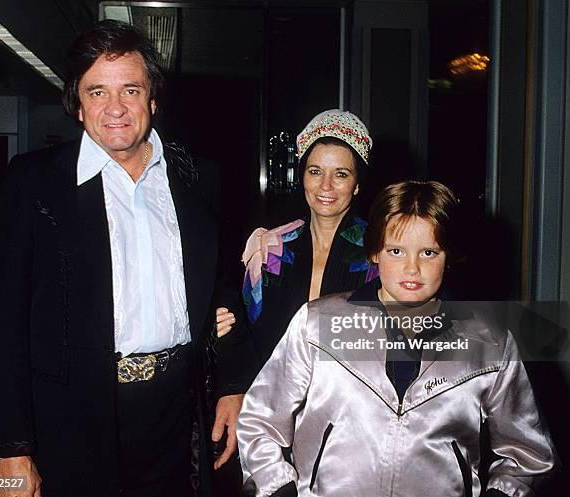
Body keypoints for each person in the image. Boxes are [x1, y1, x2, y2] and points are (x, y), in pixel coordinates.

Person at [0, 20, 244, 497]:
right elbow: (1, 324)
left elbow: (221, 285)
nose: (116, 108)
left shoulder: (197, 177)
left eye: (131, 90)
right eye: (97, 92)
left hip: (176, 415)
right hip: (71, 418)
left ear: (153, 101)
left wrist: (230, 383)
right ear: (78, 105)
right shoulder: (35, 183)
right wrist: (11, 448)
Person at [236, 180, 556, 497]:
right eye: (396, 250)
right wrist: (278, 488)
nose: (412, 268)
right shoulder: (317, 323)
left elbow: (527, 453)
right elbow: (259, 420)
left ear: (450, 256)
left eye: (429, 252)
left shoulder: (490, 342)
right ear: (375, 251)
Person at [216, 109, 378, 369]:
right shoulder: (269, 249)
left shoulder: (382, 253)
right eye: (315, 171)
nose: (325, 186)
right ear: (302, 177)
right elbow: (246, 336)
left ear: (357, 184)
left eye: (340, 174)